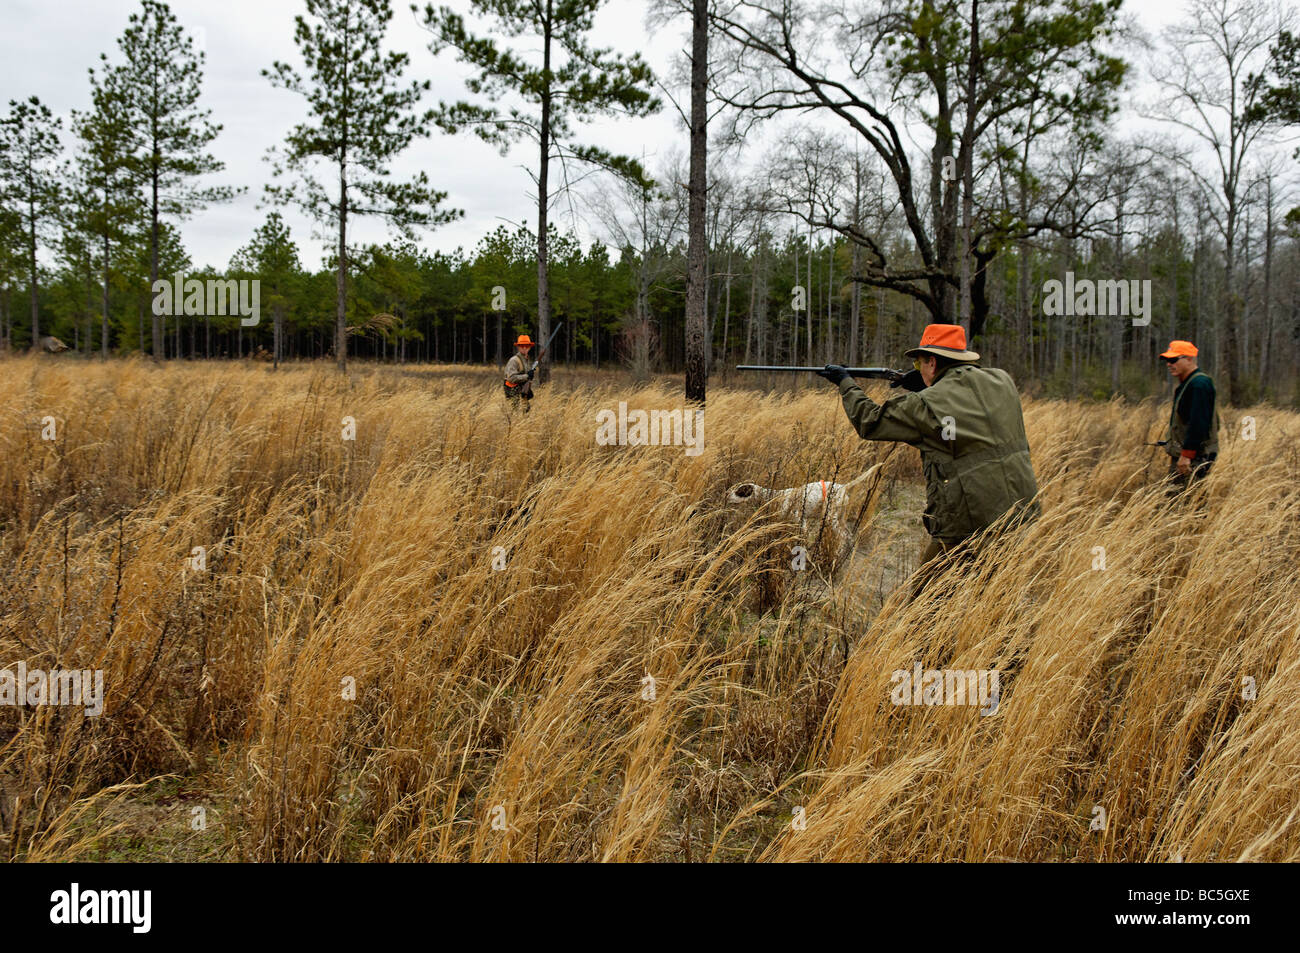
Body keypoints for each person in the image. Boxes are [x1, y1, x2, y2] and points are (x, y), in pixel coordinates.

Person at [815, 324, 1040, 593]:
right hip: (1021, 511)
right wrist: (925, 385)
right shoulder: (1003, 381)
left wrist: (845, 383)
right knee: (1001, 596)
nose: (917, 367)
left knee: (923, 607)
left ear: (932, 362)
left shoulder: (927, 403)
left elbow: (870, 421)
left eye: (919, 362)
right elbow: (965, 406)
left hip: (967, 523)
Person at [1159, 340, 1218, 490]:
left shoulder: (1199, 384)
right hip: (1187, 455)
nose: (1168, 364)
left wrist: (1187, 455)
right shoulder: (1188, 383)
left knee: (1188, 505)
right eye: (1167, 360)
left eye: (1173, 359)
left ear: (1189, 359)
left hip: (1194, 457)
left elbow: (1199, 423)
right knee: (1181, 502)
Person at [504, 334, 535, 412]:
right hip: (512, 391)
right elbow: (511, 378)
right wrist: (527, 376)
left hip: (521, 391)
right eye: (522, 346)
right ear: (518, 347)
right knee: (514, 413)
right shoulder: (514, 360)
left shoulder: (527, 360)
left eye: (527, 346)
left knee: (526, 411)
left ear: (530, 347)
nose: (524, 348)